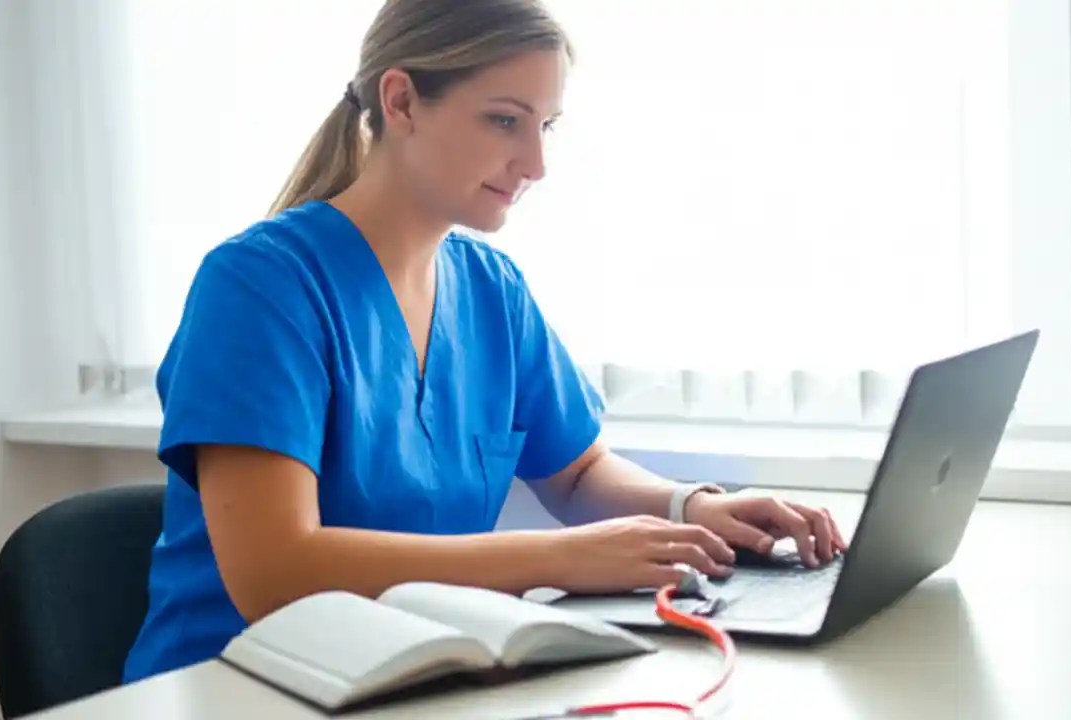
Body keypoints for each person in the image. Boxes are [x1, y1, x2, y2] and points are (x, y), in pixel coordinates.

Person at [122, 0, 847, 684]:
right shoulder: (260, 288)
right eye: (505, 121)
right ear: (401, 101)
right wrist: (563, 557)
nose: (536, 163)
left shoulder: (490, 289)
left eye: (546, 126)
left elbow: (576, 473)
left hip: (415, 678)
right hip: (235, 687)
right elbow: (276, 573)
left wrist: (691, 508)